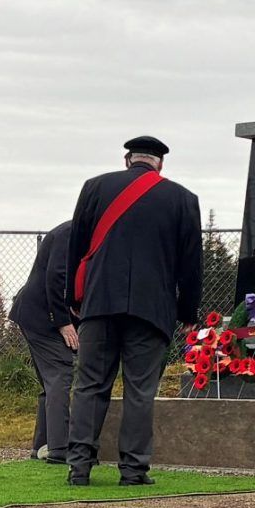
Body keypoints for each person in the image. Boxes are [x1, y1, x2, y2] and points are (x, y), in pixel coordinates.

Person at [62, 135, 202, 486]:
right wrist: (188, 313)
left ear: (127, 160)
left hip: (99, 304)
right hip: (152, 310)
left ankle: (79, 467)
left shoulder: (94, 188)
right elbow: (191, 263)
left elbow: (76, 247)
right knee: (140, 391)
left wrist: (73, 300)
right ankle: (133, 470)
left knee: (90, 385)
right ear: (160, 164)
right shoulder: (183, 199)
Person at [9, 221, 75, 462]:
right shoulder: (69, 233)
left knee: (51, 382)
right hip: (40, 316)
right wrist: (63, 321)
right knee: (60, 374)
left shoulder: (74, 233)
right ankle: (60, 448)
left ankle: (42, 445)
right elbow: (56, 277)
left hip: (34, 314)